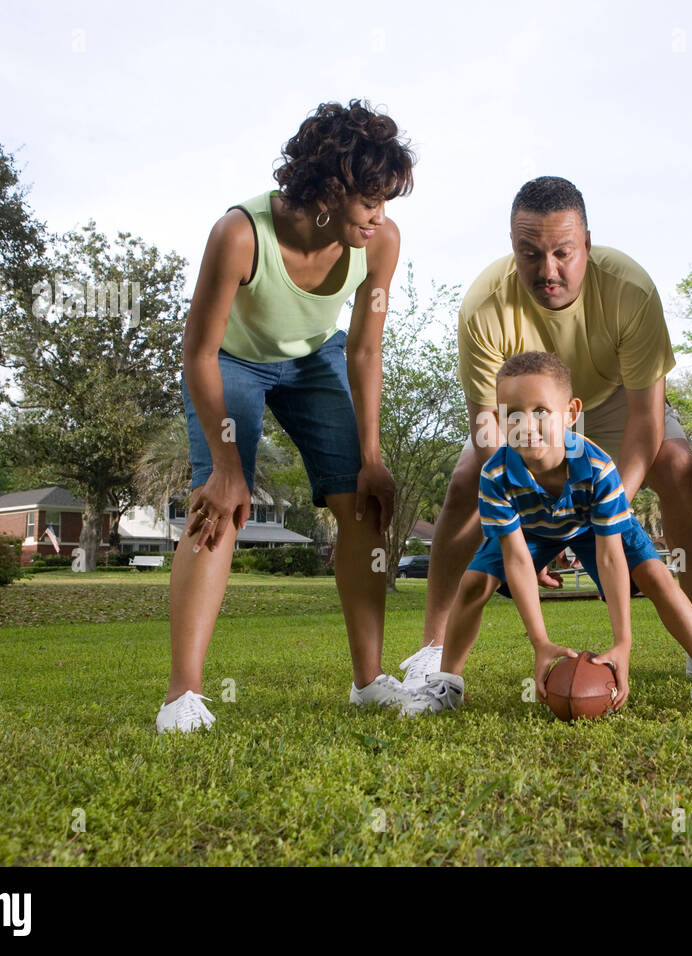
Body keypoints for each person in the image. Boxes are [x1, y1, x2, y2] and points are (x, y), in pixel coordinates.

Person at [398, 176, 692, 689]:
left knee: (675, 462)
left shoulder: (631, 289)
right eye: (529, 253)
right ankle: (433, 648)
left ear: (587, 243)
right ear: (513, 248)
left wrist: (597, 515)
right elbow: (490, 427)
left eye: (563, 252)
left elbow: (647, 423)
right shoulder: (484, 304)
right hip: (524, 415)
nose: (548, 270)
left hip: (613, 402)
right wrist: (532, 523)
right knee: (468, 474)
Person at [157, 100, 417, 733]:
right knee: (218, 502)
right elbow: (197, 353)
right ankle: (182, 695)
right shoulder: (241, 235)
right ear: (329, 190)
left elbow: (363, 348)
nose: (380, 215)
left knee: (361, 497)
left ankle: (369, 681)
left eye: (386, 199)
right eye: (369, 199)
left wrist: (374, 458)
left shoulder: (378, 242)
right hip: (232, 362)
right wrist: (225, 466)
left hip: (314, 360)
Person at [402, 352, 692, 715]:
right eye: (513, 413)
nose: (526, 424)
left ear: (571, 412)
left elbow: (610, 555)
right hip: (532, 532)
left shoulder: (597, 467)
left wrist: (622, 642)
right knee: (473, 583)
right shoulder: (495, 475)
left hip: (593, 527)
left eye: (541, 411)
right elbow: (517, 558)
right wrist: (540, 642)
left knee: (656, 574)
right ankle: (446, 685)